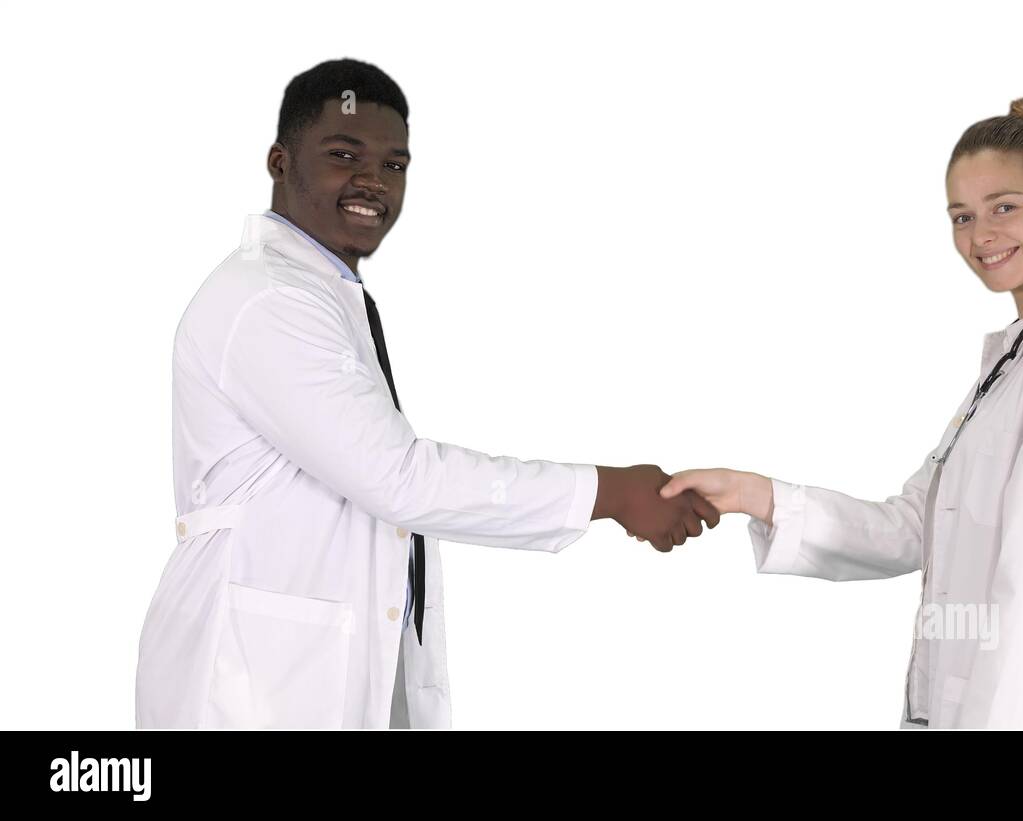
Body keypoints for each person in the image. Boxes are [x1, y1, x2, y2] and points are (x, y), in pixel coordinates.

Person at [135, 58, 718, 729]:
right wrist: (610, 493)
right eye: (343, 154)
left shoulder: (323, 296)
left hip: (314, 674)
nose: (372, 182)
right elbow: (398, 477)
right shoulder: (268, 301)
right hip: (246, 689)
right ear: (279, 160)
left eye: (394, 164)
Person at [660, 98, 1023, 729]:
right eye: (961, 216)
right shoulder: (1020, 362)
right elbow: (915, 526)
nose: (980, 236)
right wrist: (759, 496)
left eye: (1005, 206)